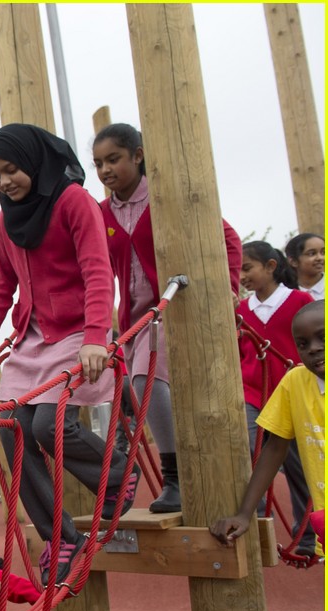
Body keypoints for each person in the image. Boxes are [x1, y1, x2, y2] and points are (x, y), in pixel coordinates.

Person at [0, 124, 139, 586]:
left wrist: (96, 336)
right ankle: (61, 536)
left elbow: (98, 270)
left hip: (78, 331)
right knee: (11, 429)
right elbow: (2, 284)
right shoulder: (7, 219)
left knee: (49, 424)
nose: (5, 181)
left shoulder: (73, 201)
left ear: (34, 161)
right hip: (33, 337)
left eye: (11, 169)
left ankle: (118, 473)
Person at [92, 123, 243, 513]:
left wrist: (227, 285)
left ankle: (175, 478)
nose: (105, 170)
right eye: (99, 164)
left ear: (138, 155)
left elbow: (227, 238)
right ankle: (143, 465)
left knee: (146, 381)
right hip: (135, 320)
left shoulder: (164, 197)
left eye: (113, 159)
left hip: (175, 309)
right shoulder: (102, 213)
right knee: (137, 388)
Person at [212, 302, 324, 559]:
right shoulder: (295, 383)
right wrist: (245, 513)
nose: (313, 348)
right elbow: (274, 448)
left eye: (323, 338)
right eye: (303, 344)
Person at [236, 241, 316, 554]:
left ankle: (307, 534)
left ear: (270, 267)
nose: (242, 276)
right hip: (252, 391)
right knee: (248, 451)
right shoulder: (241, 311)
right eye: (238, 270)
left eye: (247, 268)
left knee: (298, 465)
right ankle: (254, 521)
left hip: (293, 392)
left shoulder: (298, 300)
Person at [285, 232, 325, 300]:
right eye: (312, 254)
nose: (320, 258)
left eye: (323, 252)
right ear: (293, 261)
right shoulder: (286, 294)